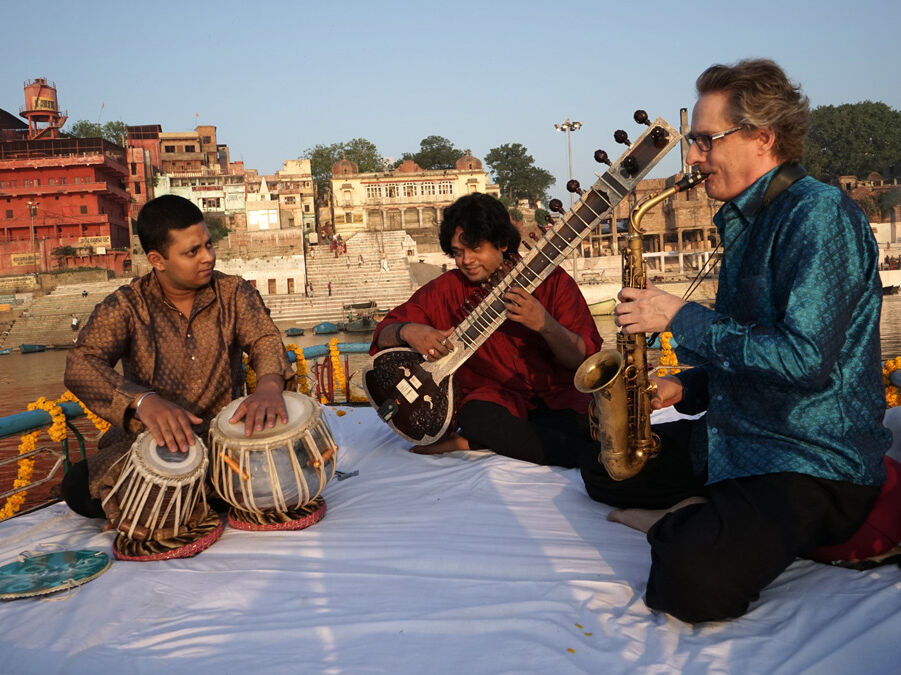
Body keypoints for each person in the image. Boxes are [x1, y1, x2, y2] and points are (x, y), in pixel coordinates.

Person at [585, 59, 890, 623]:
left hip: (808, 457)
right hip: (739, 430)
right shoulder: (745, 220)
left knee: (690, 583)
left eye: (704, 140)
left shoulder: (818, 216)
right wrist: (682, 386)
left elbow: (802, 361)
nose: (692, 158)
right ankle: (709, 509)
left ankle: (688, 519)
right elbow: (752, 347)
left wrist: (678, 316)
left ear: (763, 138)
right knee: (602, 469)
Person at [62, 194, 294, 522]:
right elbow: (81, 364)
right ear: (158, 260)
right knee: (77, 486)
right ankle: (205, 494)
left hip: (226, 438)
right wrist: (143, 402)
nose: (207, 258)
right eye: (192, 251)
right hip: (155, 442)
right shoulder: (127, 305)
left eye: (208, 245)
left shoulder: (234, 292)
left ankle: (192, 499)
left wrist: (269, 386)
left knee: (282, 463)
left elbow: (264, 340)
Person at [370, 192, 603, 467]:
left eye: (475, 248)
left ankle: (474, 443)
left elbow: (585, 360)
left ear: (503, 243)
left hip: (557, 396)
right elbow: (383, 333)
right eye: (458, 252)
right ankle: (568, 451)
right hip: (500, 401)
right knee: (476, 416)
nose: (466, 260)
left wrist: (545, 325)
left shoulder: (552, 281)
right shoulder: (447, 290)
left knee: (587, 422)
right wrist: (408, 331)